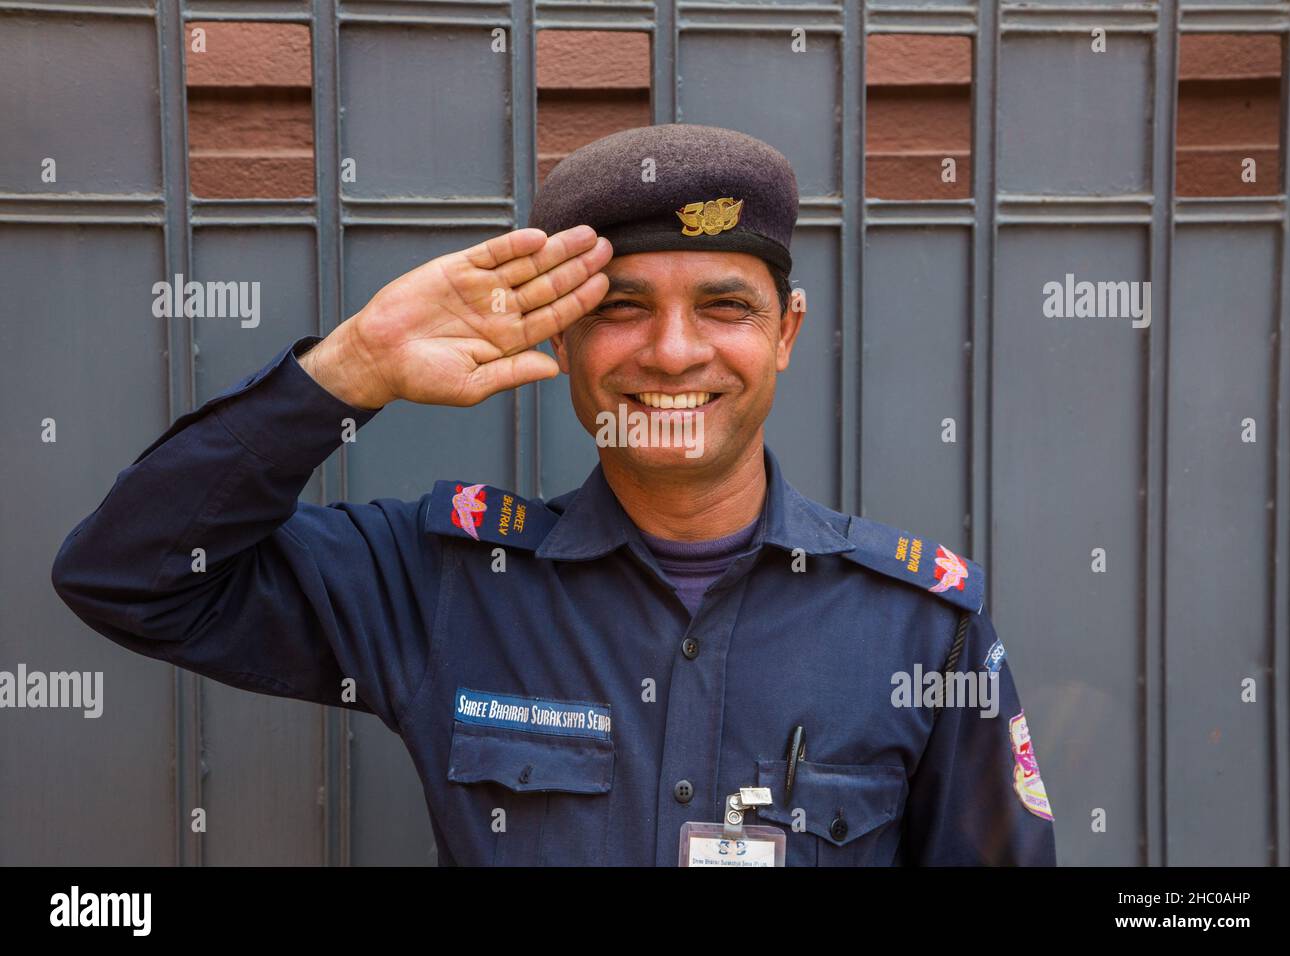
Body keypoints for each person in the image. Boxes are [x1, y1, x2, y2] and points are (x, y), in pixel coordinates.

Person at [51, 123, 1056, 866]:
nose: (672, 351)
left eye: (723, 306)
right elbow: (127, 573)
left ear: (785, 333)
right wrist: (350, 366)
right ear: (563, 339)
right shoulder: (445, 581)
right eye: (622, 309)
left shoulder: (922, 629)